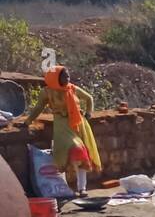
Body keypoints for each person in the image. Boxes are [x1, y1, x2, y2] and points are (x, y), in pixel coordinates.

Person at [11, 66, 101, 196]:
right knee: (76, 151)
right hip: (62, 125)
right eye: (64, 76)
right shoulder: (47, 92)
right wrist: (27, 122)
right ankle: (69, 187)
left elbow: (89, 99)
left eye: (68, 76)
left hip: (79, 124)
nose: (68, 79)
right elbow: (38, 108)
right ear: (56, 78)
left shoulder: (72, 88)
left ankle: (82, 189)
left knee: (83, 155)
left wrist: (88, 113)